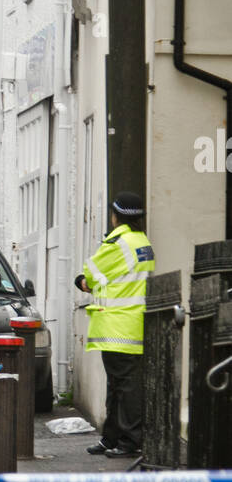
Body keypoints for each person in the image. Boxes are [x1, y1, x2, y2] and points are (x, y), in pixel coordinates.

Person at [75, 192, 155, 458]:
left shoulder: (118, 242)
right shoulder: (142, 242)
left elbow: (89, 277)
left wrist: (83, 282)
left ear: (115, 216)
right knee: (119, 386)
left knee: (125, 388)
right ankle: (110, 438)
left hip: (116, 326)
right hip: (132, 323)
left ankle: (129, 442)